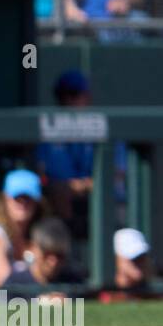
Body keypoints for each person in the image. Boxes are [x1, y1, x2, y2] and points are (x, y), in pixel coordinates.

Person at [34, 70, 96, 231]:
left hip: (96, 196)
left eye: (75, 95)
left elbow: (117, 175)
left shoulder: (98, 127)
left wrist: (82, 185)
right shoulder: (47, 135)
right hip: (59, 202)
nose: (69, 101)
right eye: (64, 96)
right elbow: (42, 176)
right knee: (58, 191)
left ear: (87, 97)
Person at [0, 169, 47, 289]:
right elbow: (1, 282)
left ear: (37, 202)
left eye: (27, 197)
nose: (22, 203)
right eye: (17, 197)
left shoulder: (39, 235)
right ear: (5, 199)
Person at [0, 216, 73, 287]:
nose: (53, 262)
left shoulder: (74, 283)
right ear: (33, 248)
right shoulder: (14, 284)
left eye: (59, 255)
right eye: (47, 253)